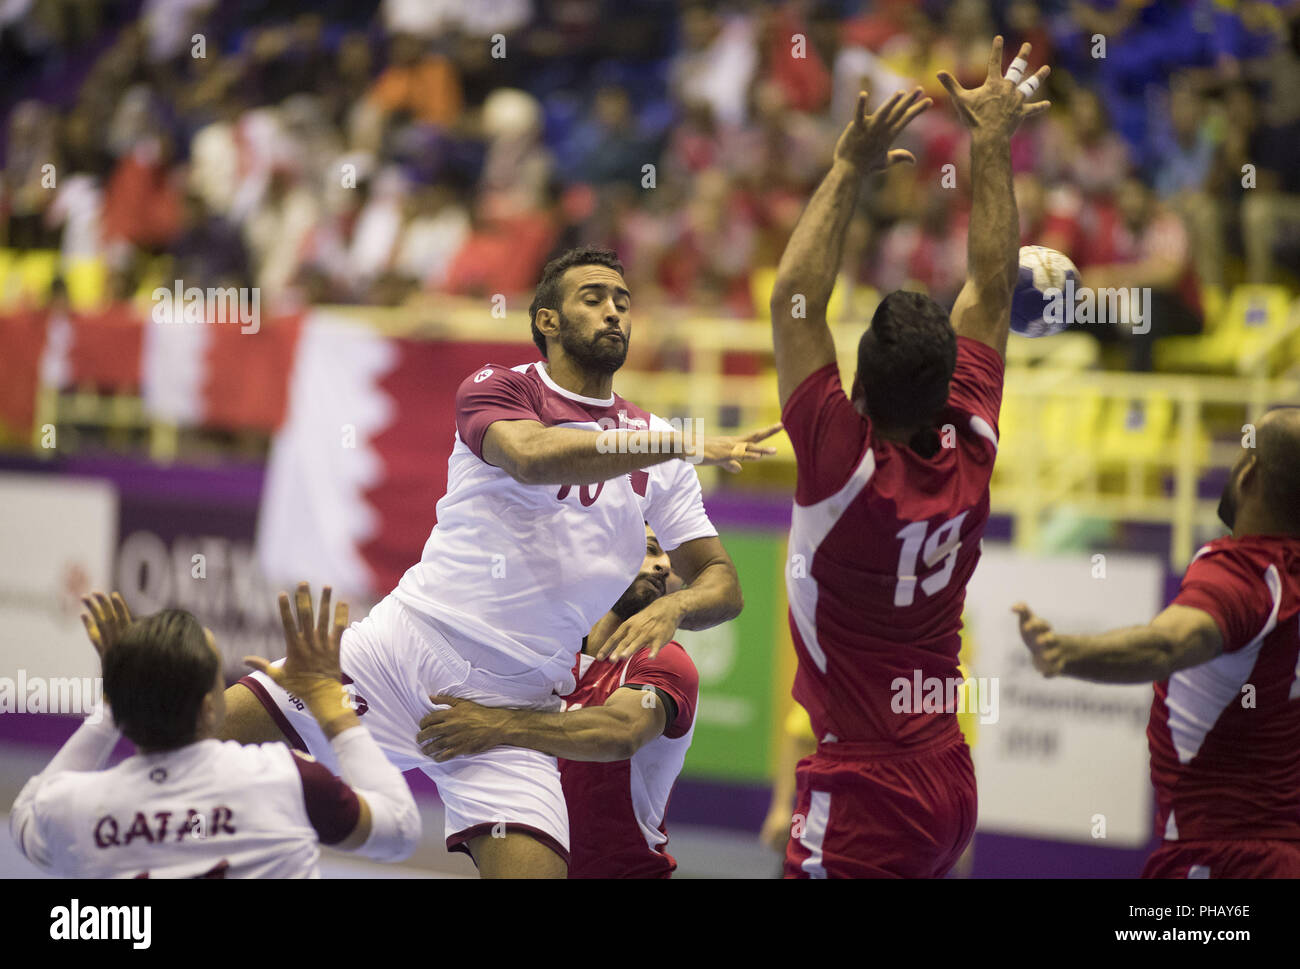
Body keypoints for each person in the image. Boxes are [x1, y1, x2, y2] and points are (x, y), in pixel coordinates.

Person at [222, 245, 779, 878]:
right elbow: (533, 457)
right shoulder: (502, 388)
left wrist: (677, 603)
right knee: (201, 736)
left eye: (623, 302)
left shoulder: (663, 456)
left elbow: (723, 584)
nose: (614, 313)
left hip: (515, 698)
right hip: (400, 647)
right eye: (593, 299)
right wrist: (669, 440)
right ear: (547, 320)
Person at [767, 37, 1050, 877]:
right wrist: (993, 140)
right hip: (947, 773)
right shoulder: (973, 436)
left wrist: (848, 167)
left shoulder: (839, 465)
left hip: (864, 784)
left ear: (857, 391)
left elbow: (793, 299)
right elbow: (994, 288)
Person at [1015, 406, 1300, 879]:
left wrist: (1066, 654)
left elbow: (1170, 644)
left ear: (1248, 475)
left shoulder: (1245, 573)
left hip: (1221, 860)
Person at [10, 585, 419, 878]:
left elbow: (25, 815)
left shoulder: (72, 809)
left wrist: (114, 702)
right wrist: (332, 707)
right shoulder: (285, 778)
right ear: (209, 708)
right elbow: (399, 831)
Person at [415, 524, 698, 878]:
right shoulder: (547, 654)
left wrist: (496, 725)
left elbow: (621, 732)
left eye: (672, 563)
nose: (664, 565)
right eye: (651, 549)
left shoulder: (662, 658)